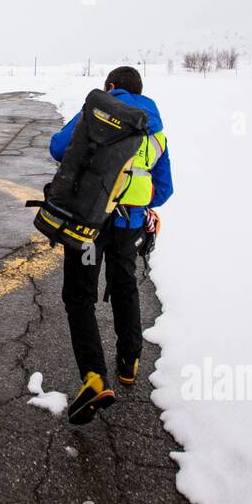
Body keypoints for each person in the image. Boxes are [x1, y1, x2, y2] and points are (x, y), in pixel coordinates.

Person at [50, 65, 173, 424]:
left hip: (87, 221)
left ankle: (93, 377)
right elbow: (164, 190)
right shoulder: (156, 129)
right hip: (128, 225)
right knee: (124, 287)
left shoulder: (97, 108)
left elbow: (58, 148)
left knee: (79, 296)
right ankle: (129, 362)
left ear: (111, 86)